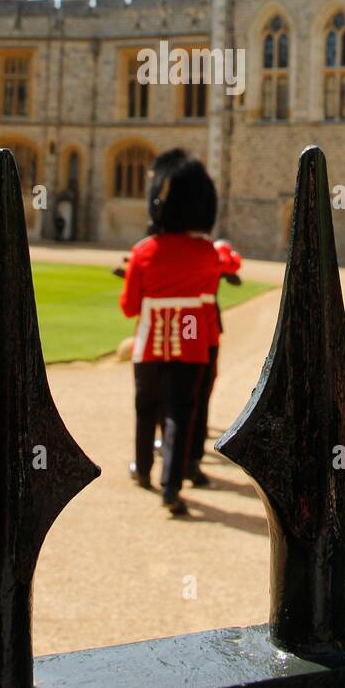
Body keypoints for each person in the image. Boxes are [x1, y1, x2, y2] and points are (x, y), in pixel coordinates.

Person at [119, 155, 221, 516]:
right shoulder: (207, 252)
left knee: (146, 408)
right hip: (191, 342)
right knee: (180, 413)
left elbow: (130, 307)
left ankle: (143, 469)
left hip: (149, 343)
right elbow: (210, 288)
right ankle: (171, 486)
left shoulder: (143, 252)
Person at [185, 237, 242, 487]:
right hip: (201, 325)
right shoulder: (209, 254)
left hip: (182, 323)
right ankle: (189, 458)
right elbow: (231, 265)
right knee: (198, 390)